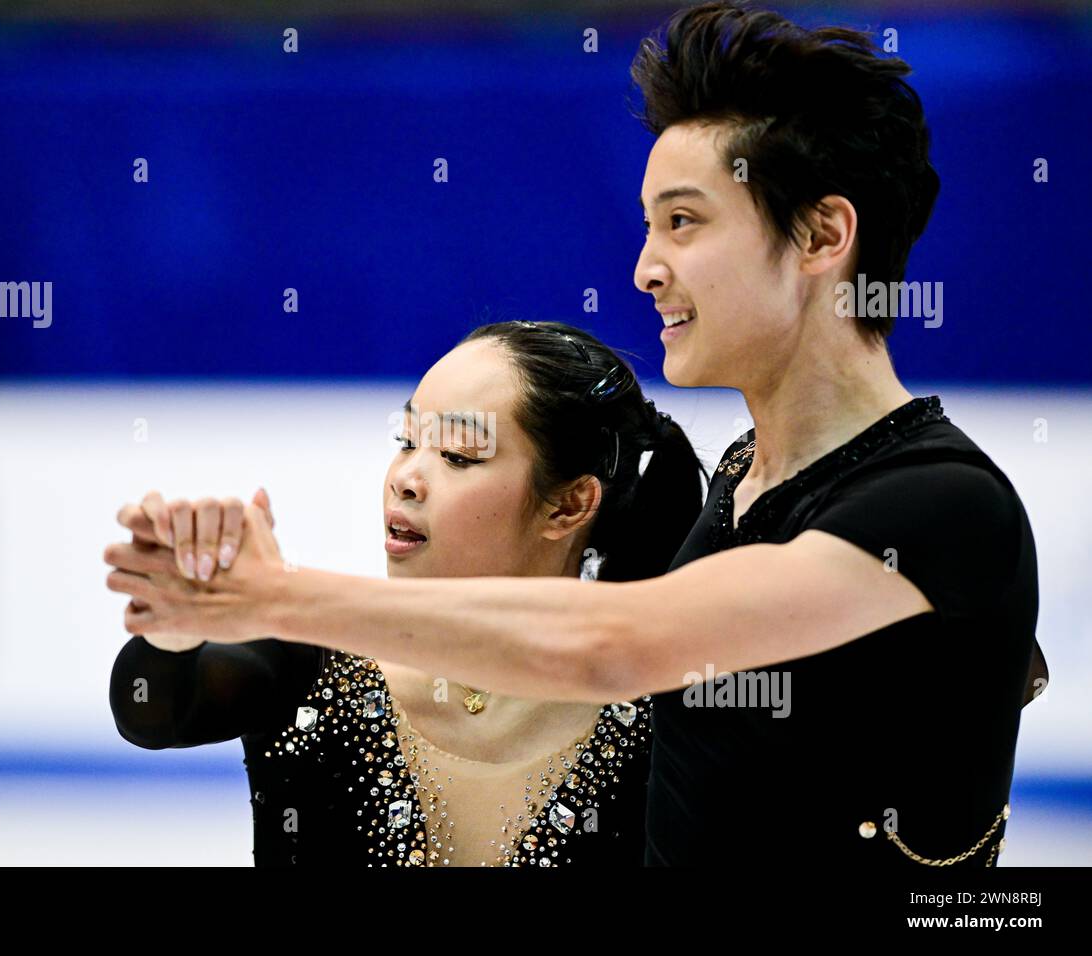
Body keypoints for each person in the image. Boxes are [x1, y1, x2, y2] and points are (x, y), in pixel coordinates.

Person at [105, 2, 1047, 867]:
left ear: (820, 237)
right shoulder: (742, 482)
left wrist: (273, 596)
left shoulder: (939, 503)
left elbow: (616, 646)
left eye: (684, 223)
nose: (646, 268)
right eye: (648, 226)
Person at [108, 320, 707, 866]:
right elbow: (154, 710)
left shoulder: (667, 724)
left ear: (569, 504)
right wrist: (175, 627)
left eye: (457, 455)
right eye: (406, 440)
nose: (407, 478)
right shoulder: (313, 665)